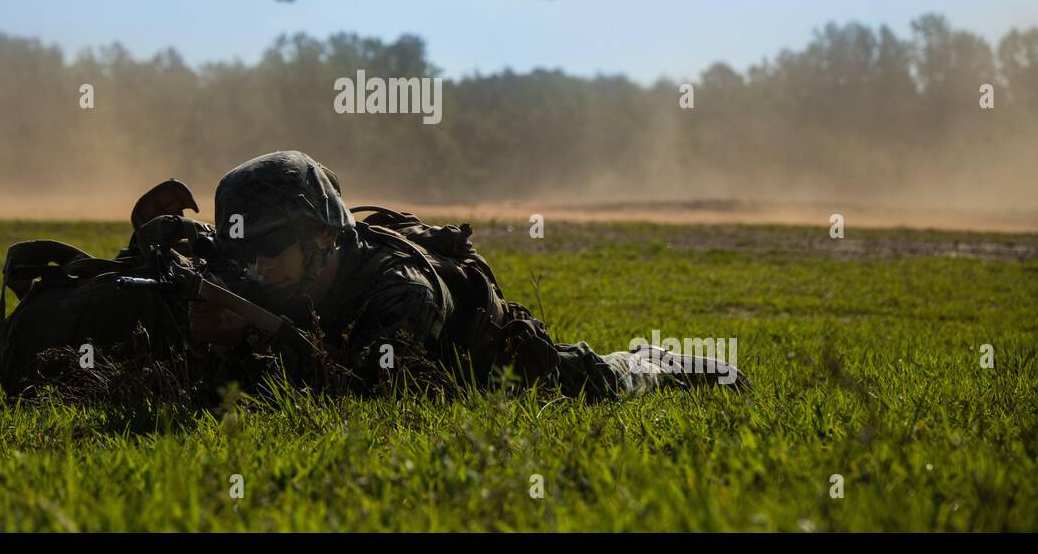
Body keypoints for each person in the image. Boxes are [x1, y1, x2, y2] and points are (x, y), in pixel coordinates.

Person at [190, 150, 748, 401]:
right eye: (244, 254)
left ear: (322, 238)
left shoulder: (401, 291)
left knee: (604, 380)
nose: (257, 267)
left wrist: (240, 345)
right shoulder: (274, 279)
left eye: (272, 247)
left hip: (508, 368)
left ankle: (660, 362)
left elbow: (362, 393)